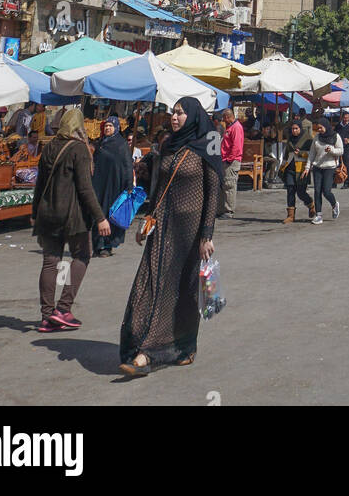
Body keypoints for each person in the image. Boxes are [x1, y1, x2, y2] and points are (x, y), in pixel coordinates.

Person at [119, 98, 222, 375]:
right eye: (172, 113)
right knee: (149, 281)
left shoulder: (208, 143)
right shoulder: (169, 145)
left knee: (183, 290)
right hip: (163, 225)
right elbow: (159, 186)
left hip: (190, 233)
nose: (174, 117)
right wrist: (147, 219)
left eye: (180, 113)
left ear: (193, 116)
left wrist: (207, 234)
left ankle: (180, 347)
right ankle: (142, 347)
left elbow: (213, 192)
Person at [32, 108, 110, 333]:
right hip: (72, 215)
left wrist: (35, 211)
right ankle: (63, 308)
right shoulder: (79, 149)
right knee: (82, 255)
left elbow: (40, 183)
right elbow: (85, 189)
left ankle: (47, 315)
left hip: (48, 213)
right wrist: (100, 217)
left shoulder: (49, 147)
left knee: (51, 261)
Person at [91, 117, 133, 257]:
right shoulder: (102, 143)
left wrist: (128, 185)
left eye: (110, 126)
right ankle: (97, 244)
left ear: (116, 127)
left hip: (114, 185)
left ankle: (106, 245)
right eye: (106, 126)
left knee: (110, 213)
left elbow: (127, 165)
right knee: (98, 212)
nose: (107, 128)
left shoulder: (121, 145)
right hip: (99, 184)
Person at [305, 120, 343, 223]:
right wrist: (307, 167)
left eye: (321, 128)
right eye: (318, 128)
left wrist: (332, 150)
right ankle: (319, 215)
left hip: (329, 167)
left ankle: (334, 204)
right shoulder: (317, 137)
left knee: (326, 191)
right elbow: (312, 152)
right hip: (317, 167)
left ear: (326, 126)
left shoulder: (336, 136)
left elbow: (341, 150)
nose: (319, 130)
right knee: (317, 191)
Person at [280, 120, 315, 222]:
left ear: (300, 128)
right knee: (290, 190)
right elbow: (286, 153)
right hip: (290, 167)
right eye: (292, 129)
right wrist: (282, 166)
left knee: (301, 192)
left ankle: (311, 205)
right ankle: (291, 216)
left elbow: (312, 154)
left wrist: (301, 153)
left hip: (302, 169)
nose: (294, 131)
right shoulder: (290, 138)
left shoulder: (308, 139)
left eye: (296, 129)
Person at [219, 108, 244, 219]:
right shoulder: (231, 127)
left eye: (224, 118)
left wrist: (230, 159)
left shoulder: (236, 127)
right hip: (226, 159)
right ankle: (223, 208)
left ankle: (228, 210)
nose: (223, 120)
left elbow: (236, 146)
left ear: (228, 117)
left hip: (231, 161)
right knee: (225, 185)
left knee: (229, 185)